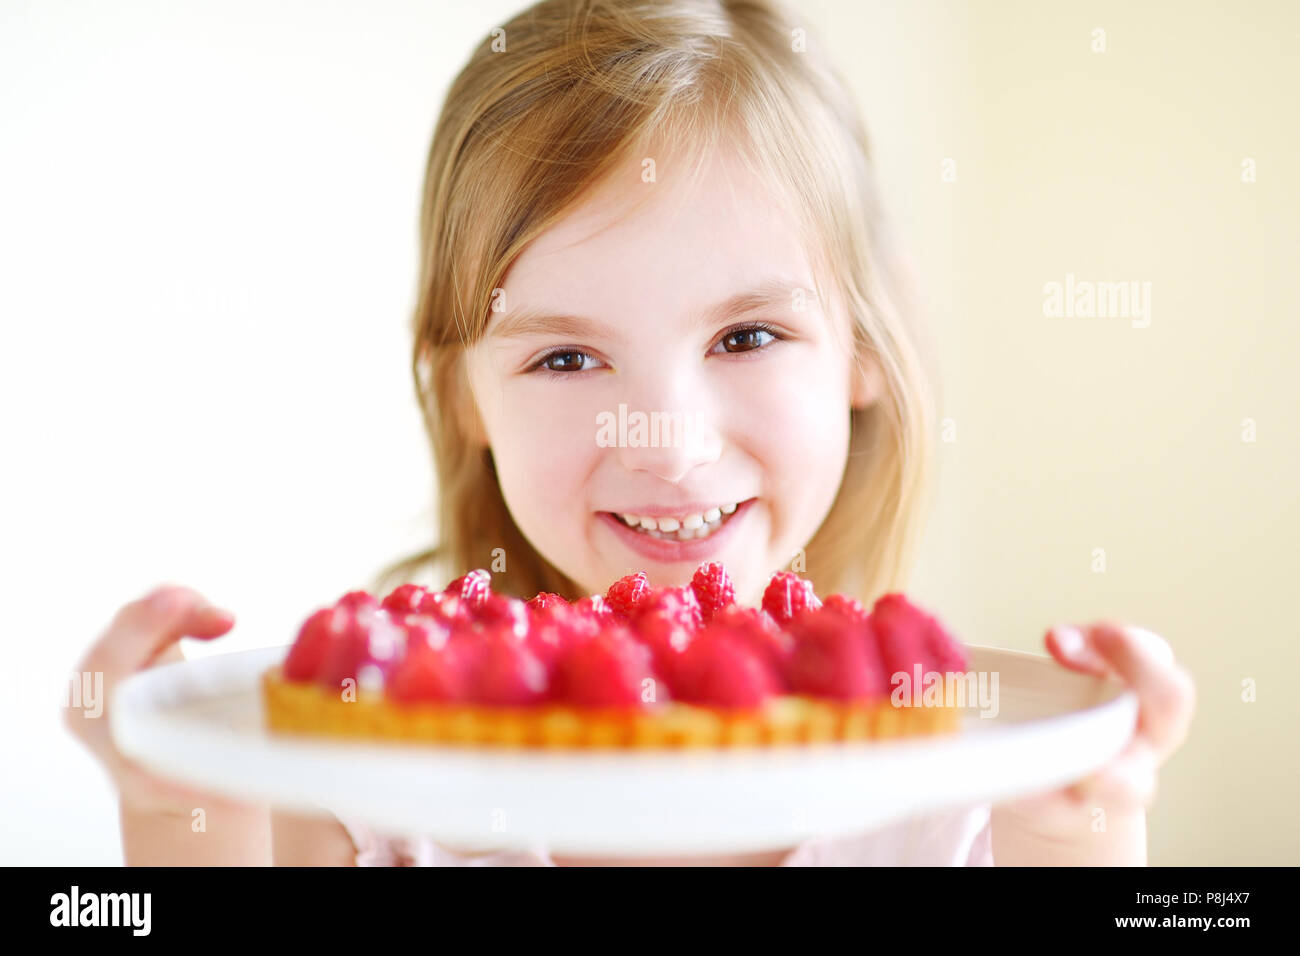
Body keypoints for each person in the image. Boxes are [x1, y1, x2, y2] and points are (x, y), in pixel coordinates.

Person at [67, 0, 1195, 866]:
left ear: (862, 347)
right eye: (564, 356)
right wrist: (182, 803)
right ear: (463, 395)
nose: (667, 439)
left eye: (747, 336)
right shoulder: (352, 787)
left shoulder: (975, 791)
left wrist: (1087, 821)